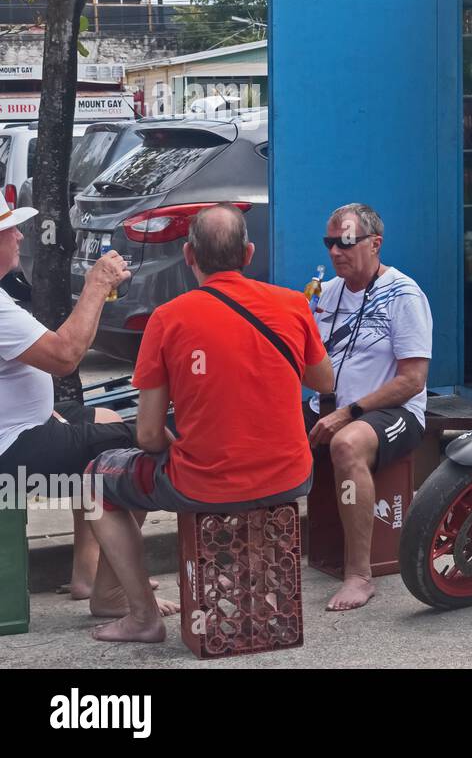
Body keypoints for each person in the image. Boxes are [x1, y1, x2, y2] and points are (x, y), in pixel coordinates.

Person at [84, 204, 333, 642]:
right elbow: (323, 380)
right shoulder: (294, 304)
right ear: (249, 253)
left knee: (95, 480)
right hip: (293, 476)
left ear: (188, 256)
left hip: (203, 484)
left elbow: (146, 434)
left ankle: (142, 616)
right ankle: (261, 600)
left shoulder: (168, 318)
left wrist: (177, 445)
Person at [0, 197, 137, 603]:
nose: (20, 235)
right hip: (11, 448)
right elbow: (65, 356)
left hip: (22, 429)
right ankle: (113, 591)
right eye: (10, 230)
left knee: (107, 417)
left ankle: (89, 574)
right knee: (134, 443)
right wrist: (97, 285)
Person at [303, 203, 432, 612]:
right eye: (330, 244)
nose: (336, 252)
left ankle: (359, 574)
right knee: (261, 431)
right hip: (332, 405)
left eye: (346, 243)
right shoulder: (325, 292)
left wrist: (349, 411)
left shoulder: (404, 295)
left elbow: (412, 381)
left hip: (393, 411)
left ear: (375, 244)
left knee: (345, 444)